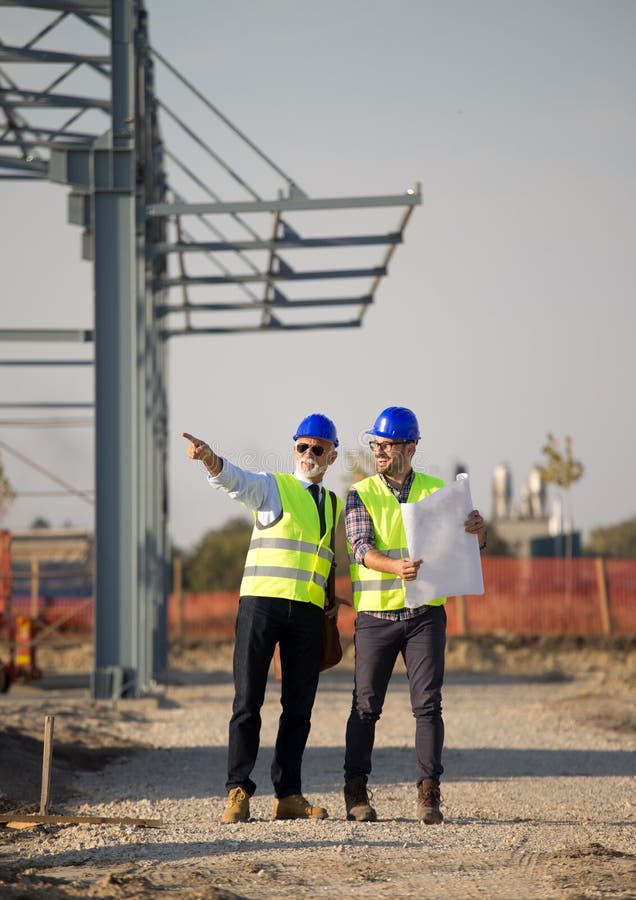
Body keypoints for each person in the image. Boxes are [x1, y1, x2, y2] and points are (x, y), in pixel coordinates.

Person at [182, 414, 342, 824]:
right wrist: (210, 459)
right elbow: (236, 480)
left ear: (332, 455)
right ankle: (238, 791)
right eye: (302, 446)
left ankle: (288, 794)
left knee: (299, 708)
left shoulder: (334, 504)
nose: (309, 454)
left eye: (317, 448)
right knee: (247, 701)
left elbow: (329, 559)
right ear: (294, 449)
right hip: (260, 606)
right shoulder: (273, 487)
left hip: (306, 614)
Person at [342, 406, 486, 824]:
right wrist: (393, 567)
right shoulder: (361, 492)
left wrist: (479, 533)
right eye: (376, 445)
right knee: (366, 707)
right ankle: (356, 792)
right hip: (376, 617)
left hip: (425, 616)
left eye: (386, 445)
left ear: (410, 447)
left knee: (428, 706)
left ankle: (429, 794)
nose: (379, 452)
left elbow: (462, 550)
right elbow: (358, 546)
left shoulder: (439, 491)